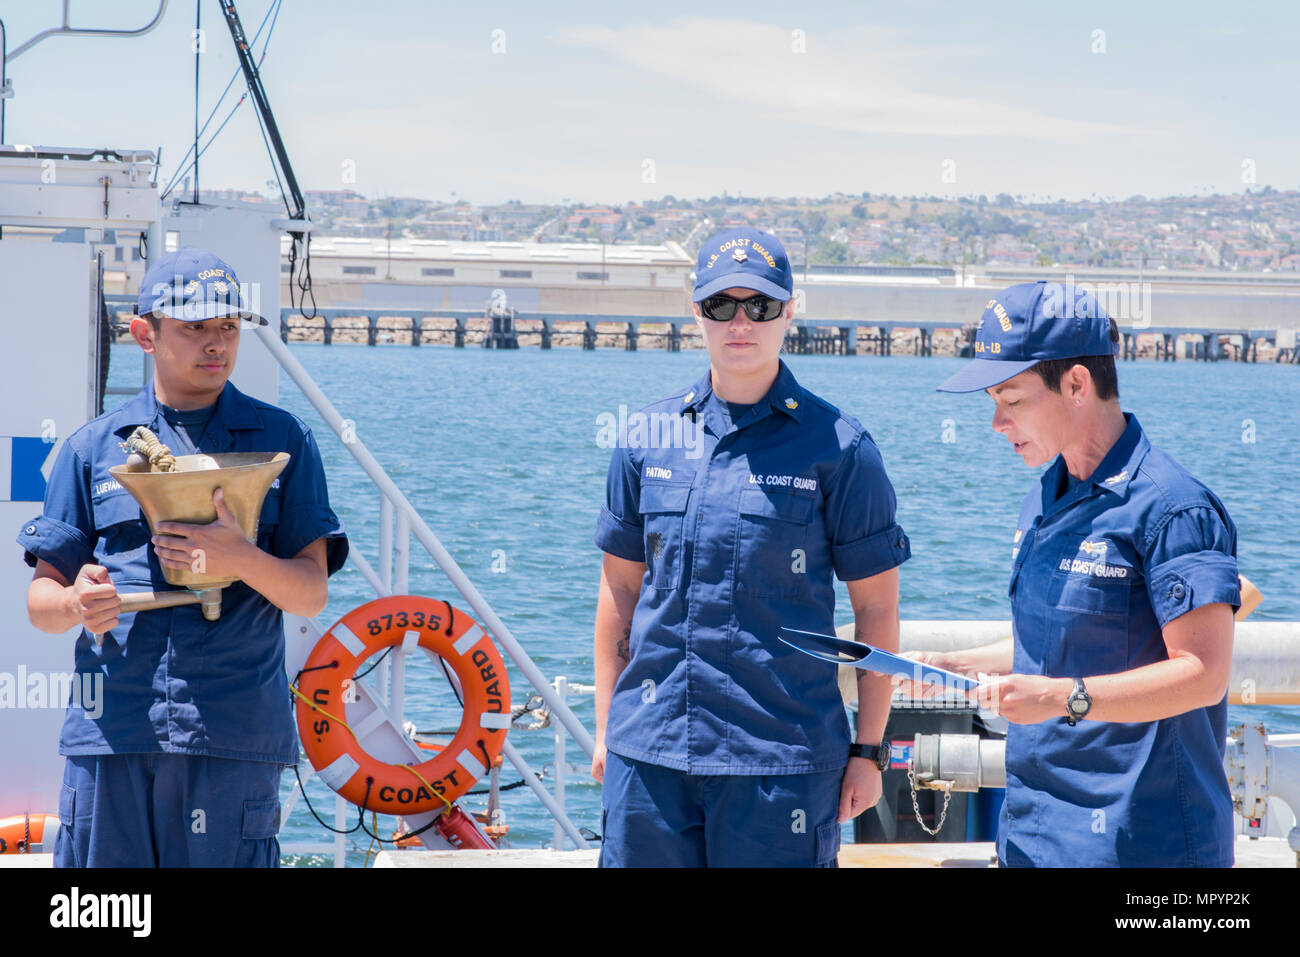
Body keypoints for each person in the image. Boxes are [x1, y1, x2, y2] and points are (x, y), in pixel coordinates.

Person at [18, 247, 349, 867]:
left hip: (231, 731)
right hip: (113, 728)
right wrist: (74, 600)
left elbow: (309, 592)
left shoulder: (285, 441)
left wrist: (241, 558)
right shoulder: (92, 449)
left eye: (226, 327)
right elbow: (42, 604)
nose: (215, 343)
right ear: (145, 333)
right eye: (193, 327)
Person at [591, 227, 911, 867]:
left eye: (760, 306)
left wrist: (868, 752)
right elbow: (621, 591)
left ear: (790, 311)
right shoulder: (646, 439)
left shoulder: (841, 449)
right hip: (651, 759)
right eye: (721, 306)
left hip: (781, 764)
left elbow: (876, 612)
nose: (741, 322)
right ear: (697, 313)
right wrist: (606, 729)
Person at [920, 280, 1238, 867]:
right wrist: (965, 666)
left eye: (1011, 400)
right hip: (1033, 836)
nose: (996, 422)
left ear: (1075, 385)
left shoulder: (1174, 508)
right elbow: (1073, 634)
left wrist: (1059, 697)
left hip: (1145, 847)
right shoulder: (1046, 496)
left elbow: (1204, 675)